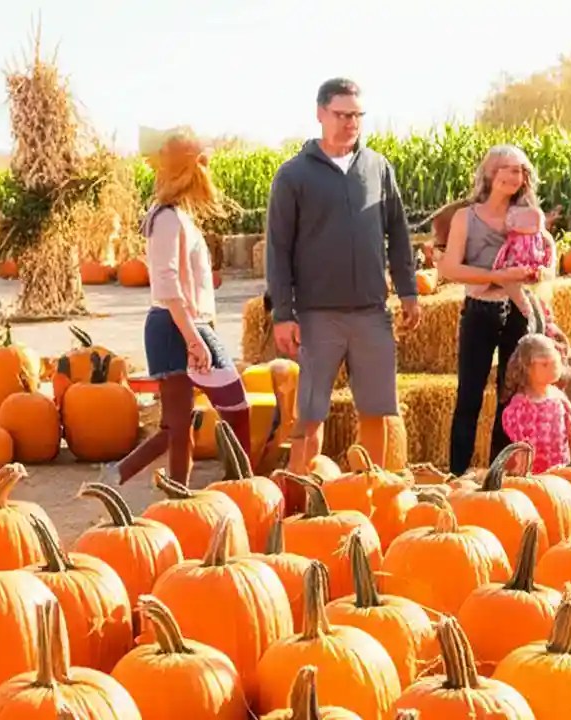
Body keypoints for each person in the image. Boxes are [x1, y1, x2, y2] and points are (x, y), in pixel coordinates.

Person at [265, 77, 419, 482]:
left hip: (372, 313)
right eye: (342, 114)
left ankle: (375, 496)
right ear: (320, 114)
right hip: (318, 316)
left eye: (357, 115)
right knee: (310, 414)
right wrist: (284, 313)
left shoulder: (378, 168)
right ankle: (296, 496)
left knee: (376, 411)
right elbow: (277, 250)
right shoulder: (293, 175)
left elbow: (398, 233)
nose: (351, 122)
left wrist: (408, 291)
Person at [100, 128, 252, 486]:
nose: (208, 173)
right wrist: (194, 339)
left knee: (178, 427)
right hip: (177, 326)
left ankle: (126, 481)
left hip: (186, 324)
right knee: (233, 408)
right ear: (191, 171)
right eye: (203, 165)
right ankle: (246, 489)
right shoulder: (166, 218)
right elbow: (166, 285)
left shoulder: (177, 216)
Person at [438, 144, 559, 475]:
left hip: (518, 311)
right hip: (480, 310)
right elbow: (450, 268)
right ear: (489, 174)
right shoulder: (467, 217)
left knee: (510, 397)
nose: (512, 174)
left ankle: (499, 475)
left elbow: (546, 263)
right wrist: (496, 276)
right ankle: (457, 475)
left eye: (518, 169)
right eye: (505, 167)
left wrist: (534, 275)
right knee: (470, 397)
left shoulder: (527, 219)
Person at [500, 292, 571, 474]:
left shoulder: (559, 399)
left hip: (561, 470)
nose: (552, 368)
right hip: (531, 473)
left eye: (554, 362)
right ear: (526, 367)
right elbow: (518, 445)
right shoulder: (520, 405)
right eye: (544, 364)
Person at [493, 205, 554, 319]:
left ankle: (542, 317)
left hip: (531, 279)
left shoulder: (542, 240)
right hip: (513, 281)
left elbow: (549, 268)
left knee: (539, 301)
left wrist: (541, 272)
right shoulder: (510, 240)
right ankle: (530, 312)